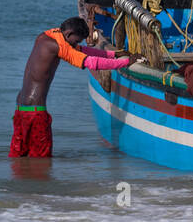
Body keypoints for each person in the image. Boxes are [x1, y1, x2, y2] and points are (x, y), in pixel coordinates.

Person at [11, 17, 131, 157]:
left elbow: (82, 50)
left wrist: (114, 54)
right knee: (41, 161)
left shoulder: (47, 36)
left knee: (19, 157)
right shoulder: (57, 46)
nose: (76, 45)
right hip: (36, 113)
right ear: (68, 34)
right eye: (76, 41)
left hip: (21, 109)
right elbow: (91, 63)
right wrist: (126, 62)